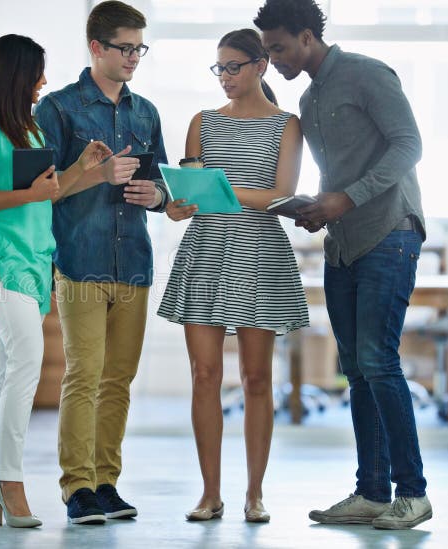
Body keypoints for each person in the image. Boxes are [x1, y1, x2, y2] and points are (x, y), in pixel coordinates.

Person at [256, 0, 433, 530]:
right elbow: (338, 177)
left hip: (390, 233)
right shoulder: (308, 101)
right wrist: (318, 208)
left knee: (379, 361)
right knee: (355, 369)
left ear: (307, 37)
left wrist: (346, 199)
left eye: (279, 49)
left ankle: (414, 493)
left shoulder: (366, 74)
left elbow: (409, 146)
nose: (275, 61)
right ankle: (373, 492)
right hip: (342, 243)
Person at [0, 34, 110, 529]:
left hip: (32, 260)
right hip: (1, 262)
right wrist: (27, 193)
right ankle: (10, 481)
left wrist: (84, 169)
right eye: (38, 73)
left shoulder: (29, 131)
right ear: (17, 74)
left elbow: (50, 191)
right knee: (24, 367)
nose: (44, 81)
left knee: (8, 373)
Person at [158, 28, 309, 523]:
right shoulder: (202, 123)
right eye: (218, 68)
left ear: (261, 65)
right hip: (205, 253)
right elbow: (186, 200)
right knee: (204, 376)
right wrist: (177, 206)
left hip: (258, 257)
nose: (224, 77)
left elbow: (284, 197)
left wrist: (222, 189)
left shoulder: (288, 126)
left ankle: (255, 494)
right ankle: (209, 493)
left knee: (257, 379)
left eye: (233, 67)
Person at [34, 0, 169, 525]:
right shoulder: (59, 109)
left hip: (133, 261)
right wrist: (94, 174)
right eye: (125, 47)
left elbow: (162, 187)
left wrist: (153, 196)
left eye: (140, 47)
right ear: (96, 47)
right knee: (83, 375)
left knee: (118, 380)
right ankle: (77, 488)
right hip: (79, 260)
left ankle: (107, 482)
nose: (134, 56)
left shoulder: (146, 113)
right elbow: (39, 190)